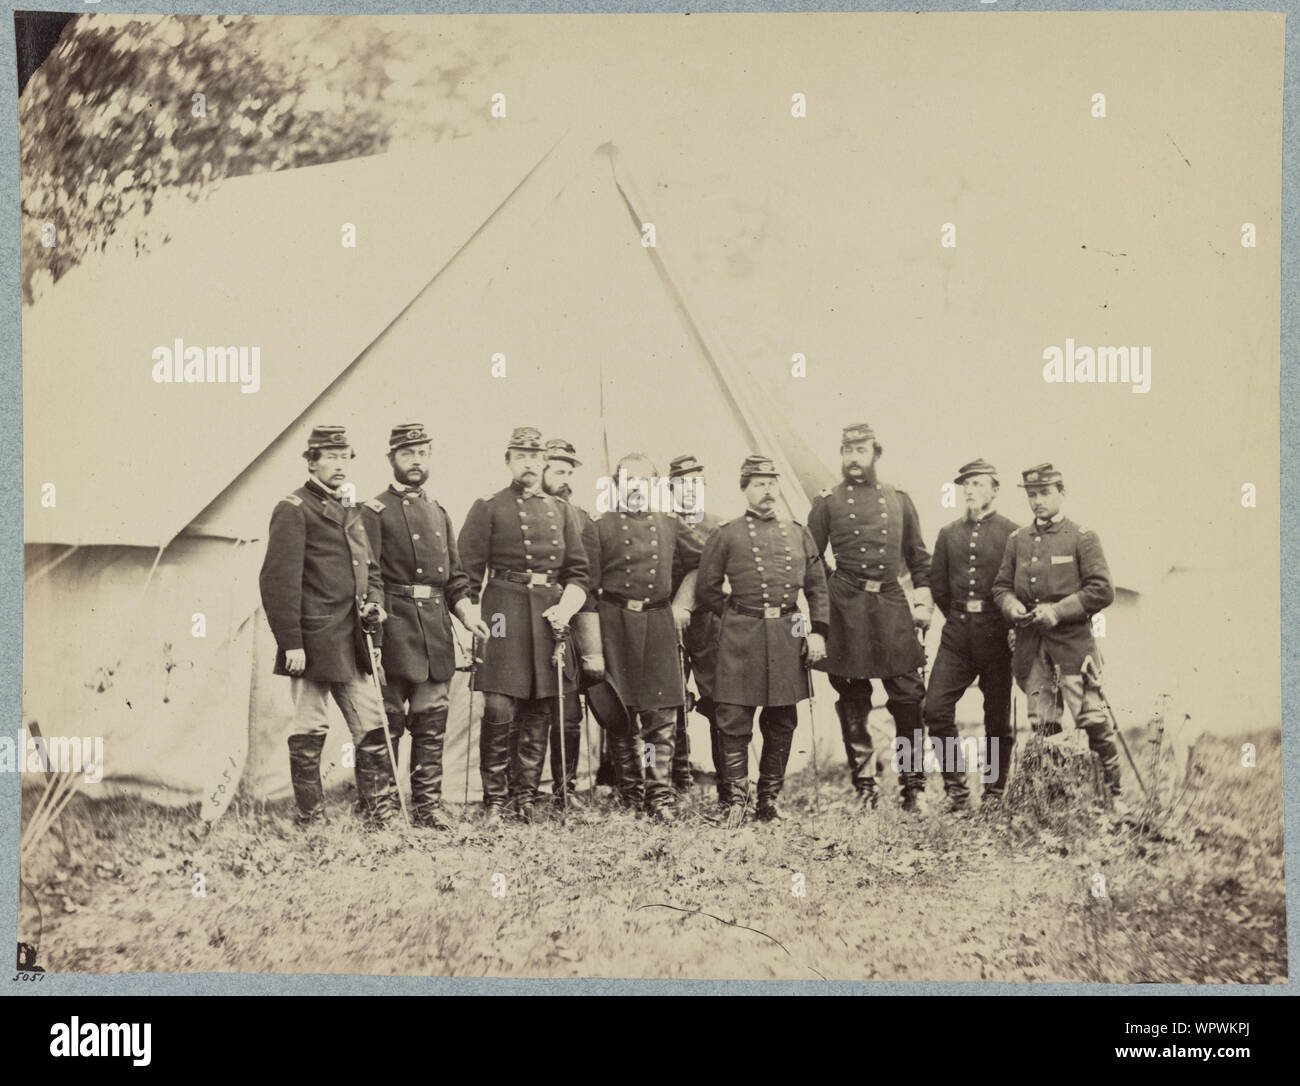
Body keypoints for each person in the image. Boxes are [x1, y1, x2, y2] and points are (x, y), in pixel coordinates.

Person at [457, 427, 590, 824]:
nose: (528, 463)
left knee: (540, 705)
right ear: (508, 462)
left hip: (548, 613)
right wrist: (469, 614)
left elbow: (579, 573)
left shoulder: (563, 511)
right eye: (520, 456)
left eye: (534, 457)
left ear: (542, 462)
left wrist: (566, 607)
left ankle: (526, 797)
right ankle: (494, 800)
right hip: (502, 610)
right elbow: (466, 571)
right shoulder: (488, 506)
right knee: (498, 704)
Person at [360, 423, 490, 828]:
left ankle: (428, 808)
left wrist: (468, 615)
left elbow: (455, 578)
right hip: (393, 627)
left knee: (432, 720)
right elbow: (370, 574)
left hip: (434, 631)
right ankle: (381, 810)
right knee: (387, 720)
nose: (416, 461)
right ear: (391, 459)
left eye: (422, 453)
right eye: (407, 453)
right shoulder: (372, 511)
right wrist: (375, 617)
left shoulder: (439, 513)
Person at [258, 424, 387, 826]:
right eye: (330, 457)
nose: (339, 464)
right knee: (311, 726)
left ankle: (377, 813)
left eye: (345, 456)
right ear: (311, 462)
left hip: (352, 641)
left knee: (372, 723)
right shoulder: (294, 508)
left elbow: (371, 571)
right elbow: (278, 581)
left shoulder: (352, 508)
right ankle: (311, 818)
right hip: (313, 641)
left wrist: (377, 608)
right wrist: (291, 642)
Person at [696, 455, 829, 827]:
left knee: (783, 719)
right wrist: (737, 616)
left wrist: (816, 631)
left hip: (787, 634)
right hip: (742, 636)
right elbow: (707, 590)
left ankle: (768, 802)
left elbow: (817, 588)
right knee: (734, 717)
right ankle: (736, 801)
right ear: (744, 489)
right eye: (758, 483)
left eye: (772, 482)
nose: (767, 489)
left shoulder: (799, 532)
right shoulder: (727, 533)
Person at [808, 423, 934, 810]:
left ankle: (914, 787)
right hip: (847, 609)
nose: (853, 458)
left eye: (860, 450)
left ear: (875, 453)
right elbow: (810, 559)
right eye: (847, 450)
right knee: (853, 698)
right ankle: (865, 788)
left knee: (909, 696)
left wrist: (923, 601)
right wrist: (833, 591)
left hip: (892, 604)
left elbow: (918, 556)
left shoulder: (898, 499)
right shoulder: (827, 502)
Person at [992, 463, 1121, 797]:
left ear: (1061, 493)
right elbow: (1001, 587)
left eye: (1045, 493)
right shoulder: (1017, 540)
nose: (1038, 501)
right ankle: (1058, 798)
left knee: (1092, 719)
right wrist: (1012, 607)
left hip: (1073, 648)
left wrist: (1059, 611)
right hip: (1032, 648)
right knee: (1044, 725)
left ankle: (1114, 794)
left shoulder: (1082, 537)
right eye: (1032, 494)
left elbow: (1102, 589)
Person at [588, 453, 697, 820]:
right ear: (617, 486)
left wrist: (683, 604)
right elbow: (585, 585)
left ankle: (659, 794)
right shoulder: (600, 526)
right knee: (619, 714)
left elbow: (699, 564)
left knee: (660, 715)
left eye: (643, 480)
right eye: (628, 480)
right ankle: (630, 792)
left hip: (657, 622)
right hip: (614, 622)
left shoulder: (669, 524)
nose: (636, 487)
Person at [923, 458, 1019, 811]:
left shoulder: (1013, 534)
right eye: (967, 485)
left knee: (997, 718)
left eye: (979, 484)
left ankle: (994, 793)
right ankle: (958, 792)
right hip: (957, 638)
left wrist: (1003, 625)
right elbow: (939, 587)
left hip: (997, 638)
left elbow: (1019, 587)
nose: (971, 490)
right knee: (935, 708)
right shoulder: (948, 534)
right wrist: (962, 618)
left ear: (995, 490)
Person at [539, 438, 602, 806]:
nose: (564, 478)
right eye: (557, 470)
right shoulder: (518, 513)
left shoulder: (581, 517)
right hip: (527, 615)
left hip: (570, 617)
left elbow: (589, 577)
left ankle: (566, 790)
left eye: (568, 471)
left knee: (568, 707)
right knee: (522, 704)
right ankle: (519, 791)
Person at [666, 454, 724, 796]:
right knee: (670, 700)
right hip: (667, 623)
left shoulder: (719, 526)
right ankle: (678, 781)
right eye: (681, 485)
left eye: (694, 484)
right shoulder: (663, 523)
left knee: (719, 702)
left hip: (708, 623)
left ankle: (728, 783)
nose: (688, 491)